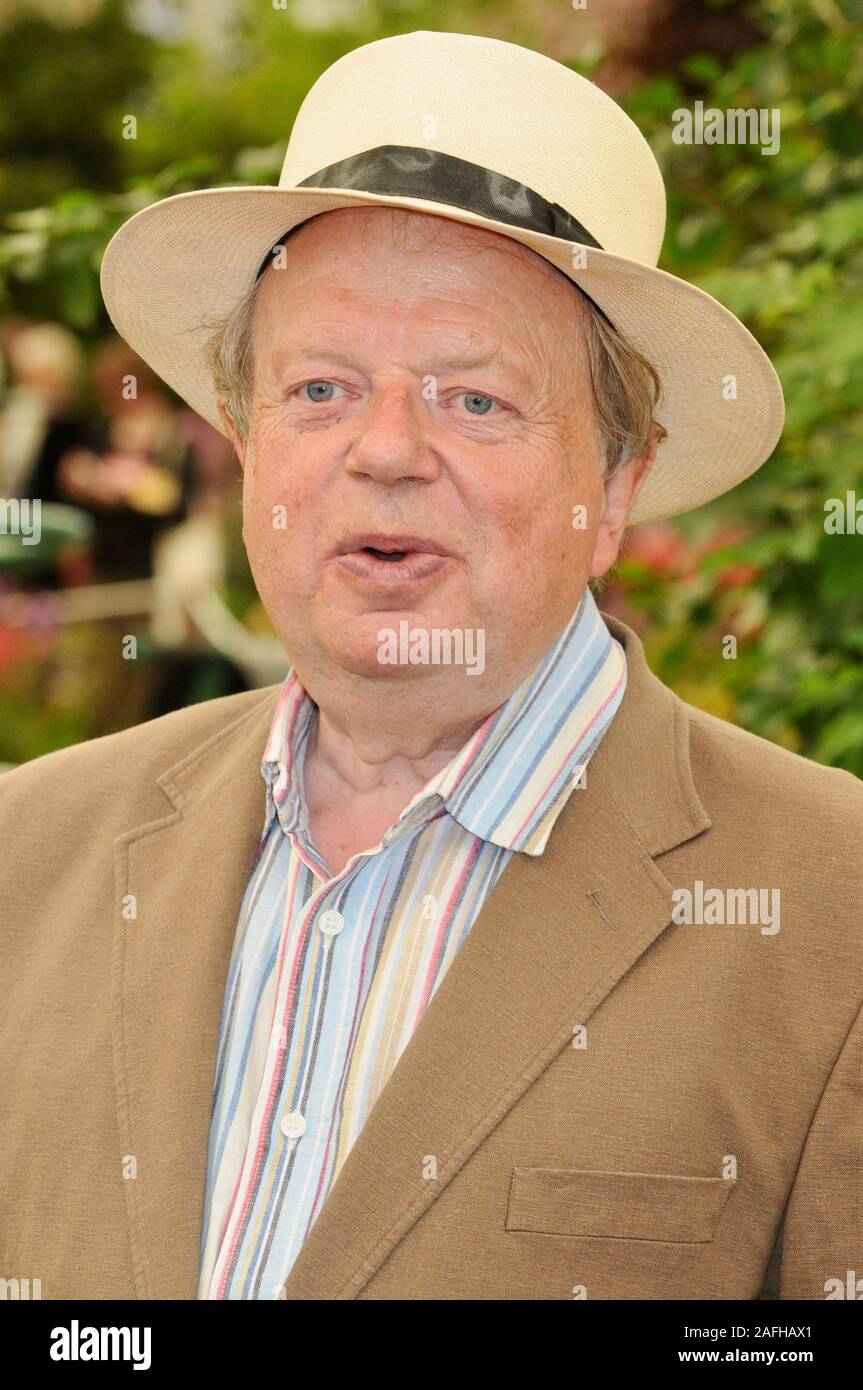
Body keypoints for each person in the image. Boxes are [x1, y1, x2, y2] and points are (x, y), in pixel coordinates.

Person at [1, 31, 860, 1302]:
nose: (385, 451)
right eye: (320, 389)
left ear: (616, 483)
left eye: (473, 399)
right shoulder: (29, 850)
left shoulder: (831, 917)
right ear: (243, 441)